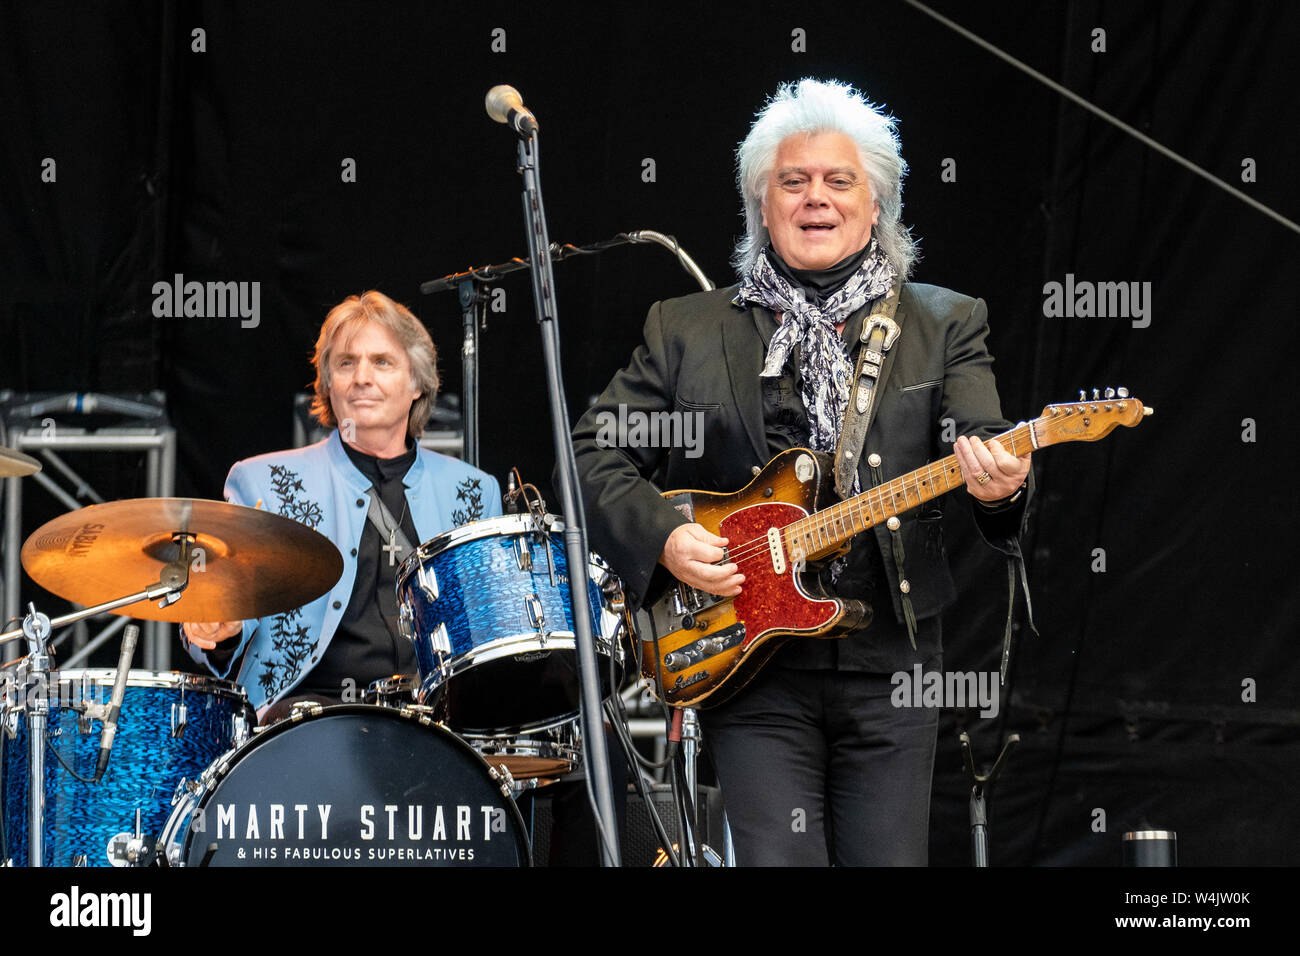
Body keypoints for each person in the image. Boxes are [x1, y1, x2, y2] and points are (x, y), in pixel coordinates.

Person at [571, 78, 1032, 865]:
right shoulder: (685, 328)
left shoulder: (945, 320)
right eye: (793, 181)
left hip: (894, 657)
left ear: (876, 204)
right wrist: (667, 538)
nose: (815, 198)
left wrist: (1002, 483)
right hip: (747, 659)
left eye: (838, 180)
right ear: (763, 206)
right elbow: (594, 451)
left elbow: (981, 437)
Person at [181, 290, 501, 721]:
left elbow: (492, 632)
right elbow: (228, 619)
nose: (361, 378)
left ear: (418, 383)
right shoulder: (265, 483)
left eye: (382, 362)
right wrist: (219, 629)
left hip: (438, 717)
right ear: (328, 383)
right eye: (346, 363)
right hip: (305, 717)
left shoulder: (473, 490)